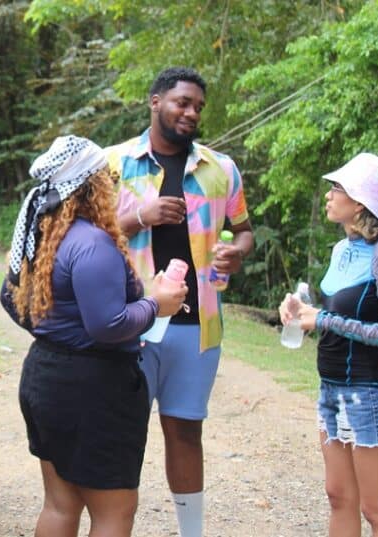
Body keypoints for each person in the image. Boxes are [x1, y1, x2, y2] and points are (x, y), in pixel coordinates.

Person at [1, 135, 187, 537]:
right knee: (113, 512)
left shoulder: (41, 236)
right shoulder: (93, 244)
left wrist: (54, 333)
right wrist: (157, 303)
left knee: (60, 504)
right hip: (95, 390)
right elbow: (107, 325)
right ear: (93, 185)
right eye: (109, 177)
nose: (113, 185)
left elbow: (8, 295)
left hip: (45, 376)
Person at [105, 66, 254, 537]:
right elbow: (81, 238)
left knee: (186, 431)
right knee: (123, 432)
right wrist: (139, 216)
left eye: (197, 107)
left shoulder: (220, 169)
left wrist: (236, 253)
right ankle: (112, 526)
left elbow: (245, 231)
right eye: (182, 103)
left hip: (198, 326)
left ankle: (192, 532)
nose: (191, 113)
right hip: (132, 322)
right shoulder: (112, 164)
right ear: (155, 102)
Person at [279, 153, 378, 537]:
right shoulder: (342, 250)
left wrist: (324, 320)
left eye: (336, 188)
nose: (329, 194)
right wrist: (304, 312)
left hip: (371, 393)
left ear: (359, 201)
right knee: (338, 496)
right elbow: (343, 312)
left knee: (377, 509)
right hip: (332, 388)